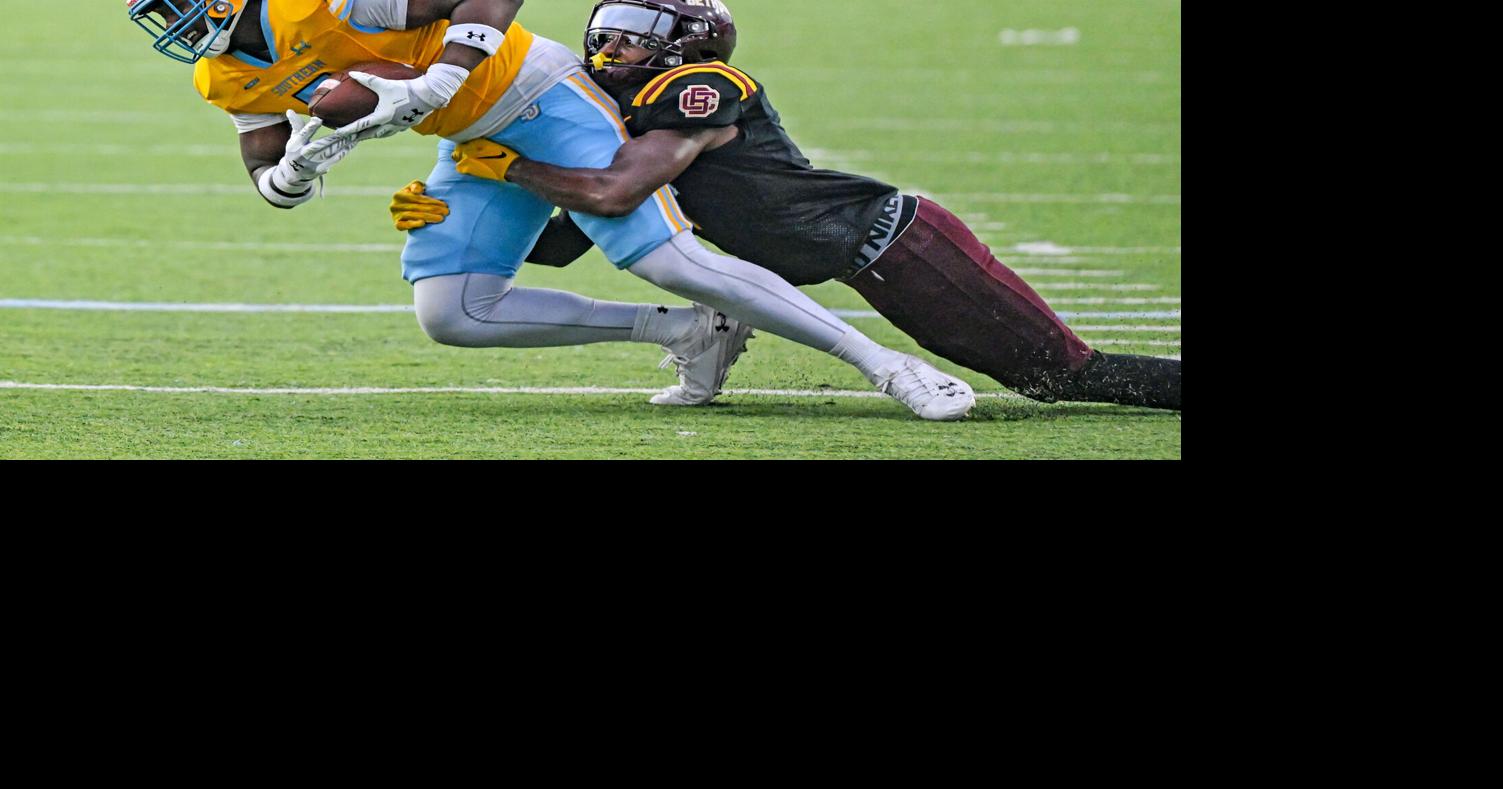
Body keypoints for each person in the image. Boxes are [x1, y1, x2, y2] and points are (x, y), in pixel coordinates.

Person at [124, 0, 977, 420]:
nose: (177, 19)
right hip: (473, 143)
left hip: (535, 97)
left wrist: (445, 75)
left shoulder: (313, 5)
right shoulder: (220, 74)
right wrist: (298, 171)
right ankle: (686, 332)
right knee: (453, 311)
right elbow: (265, 163)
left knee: (664, 254)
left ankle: (888, 366)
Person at [390, 0, 1181, 411]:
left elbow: (617, 191)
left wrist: (511, 163)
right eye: (610, 29)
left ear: (685, 45)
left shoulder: (700, 90)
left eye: (635, 36)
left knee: (1065, 376)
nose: (611, 48)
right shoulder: (615, 118)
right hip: (852, 263)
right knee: (1053, 378)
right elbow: (571, 238)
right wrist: (458, 216)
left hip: (894, 245)